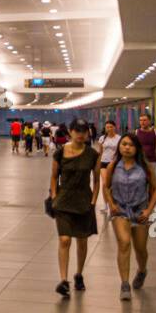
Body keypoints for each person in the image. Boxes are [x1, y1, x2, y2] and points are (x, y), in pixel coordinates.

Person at [102, 133, 156, 301]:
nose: (126, 147)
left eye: (130, 145)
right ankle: (125, 284)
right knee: (124, 243)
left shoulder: (145, 167)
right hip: (120, 210)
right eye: (124, 144)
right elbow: (106, 187)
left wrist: (149, 210)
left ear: (137, 148)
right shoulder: (113, 166)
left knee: (140, 248)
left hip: (140, 211)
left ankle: (142, 270)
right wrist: (111, 204)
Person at [50, 119, 101, 296]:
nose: (80, 134)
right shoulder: (60, 152)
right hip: (63, 202)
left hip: (84, 202)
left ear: (88, 133)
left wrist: (94, 202)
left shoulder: (92, 154)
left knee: (82, 240)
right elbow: (54, 176)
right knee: (64, 240)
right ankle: (64, 280)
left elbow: (96, 180)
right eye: (77, 130)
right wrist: (54, 197)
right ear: (70, 132)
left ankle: (79, 274)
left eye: (83, 131)